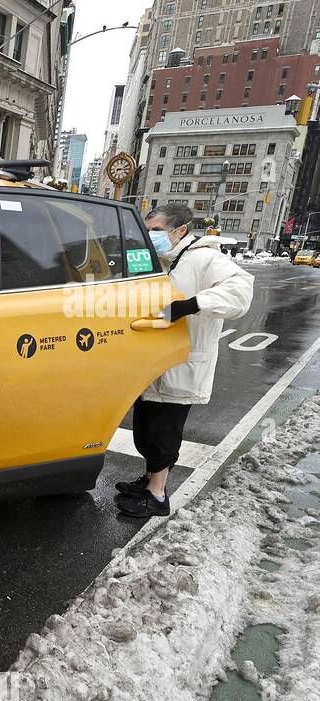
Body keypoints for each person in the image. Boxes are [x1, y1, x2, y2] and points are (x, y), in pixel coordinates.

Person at [115, 203, 254, 518]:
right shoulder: (163, 260)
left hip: (182, 363)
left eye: (157, 230)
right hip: (153, 362)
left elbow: (240, 292)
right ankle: (150, 479)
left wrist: (189, 305)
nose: (150, 236)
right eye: (147, 229)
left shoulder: (205, 258)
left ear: (180, 230)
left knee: (163, 432)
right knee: (145, 429)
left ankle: (157, 495)